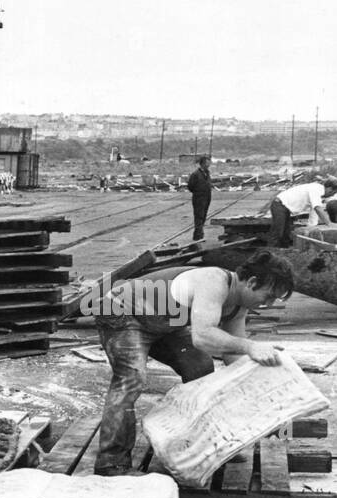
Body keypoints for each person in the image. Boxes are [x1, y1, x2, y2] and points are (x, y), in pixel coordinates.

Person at [92, 252, 295, 476]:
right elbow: (203, 336)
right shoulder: (214, 282)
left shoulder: (238, 306)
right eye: (268, 297)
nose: (268, 304)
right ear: (252, 283)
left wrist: (259, 383)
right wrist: (250, 347)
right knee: (131, 379)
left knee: (200, 368)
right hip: (121, 311)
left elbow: (232, 356)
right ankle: (111, 463)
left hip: (163, 322)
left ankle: (208, 446)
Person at [269, 178, 337, 247]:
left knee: (285, 234)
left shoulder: (319, 195)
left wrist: (311, 228)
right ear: (329, 188)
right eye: (333, 192)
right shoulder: (316, 189)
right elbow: (318, 209)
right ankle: (270, 252)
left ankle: (285, 253)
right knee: (278, 232)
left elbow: (314, 211)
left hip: (285, 207)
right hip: (279, 205)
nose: (332, 195)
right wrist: (329, 223)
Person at [187, 155, 212, 241]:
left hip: (207, 197)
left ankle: (199, 235)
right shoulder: (195, 174)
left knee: (203, 216)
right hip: (199, 198)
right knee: (199, 217)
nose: (209, 164)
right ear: (203, 164)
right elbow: (190, 186)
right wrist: (198, 192)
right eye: (207, 163)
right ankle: (198, 236)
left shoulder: (207, 173)